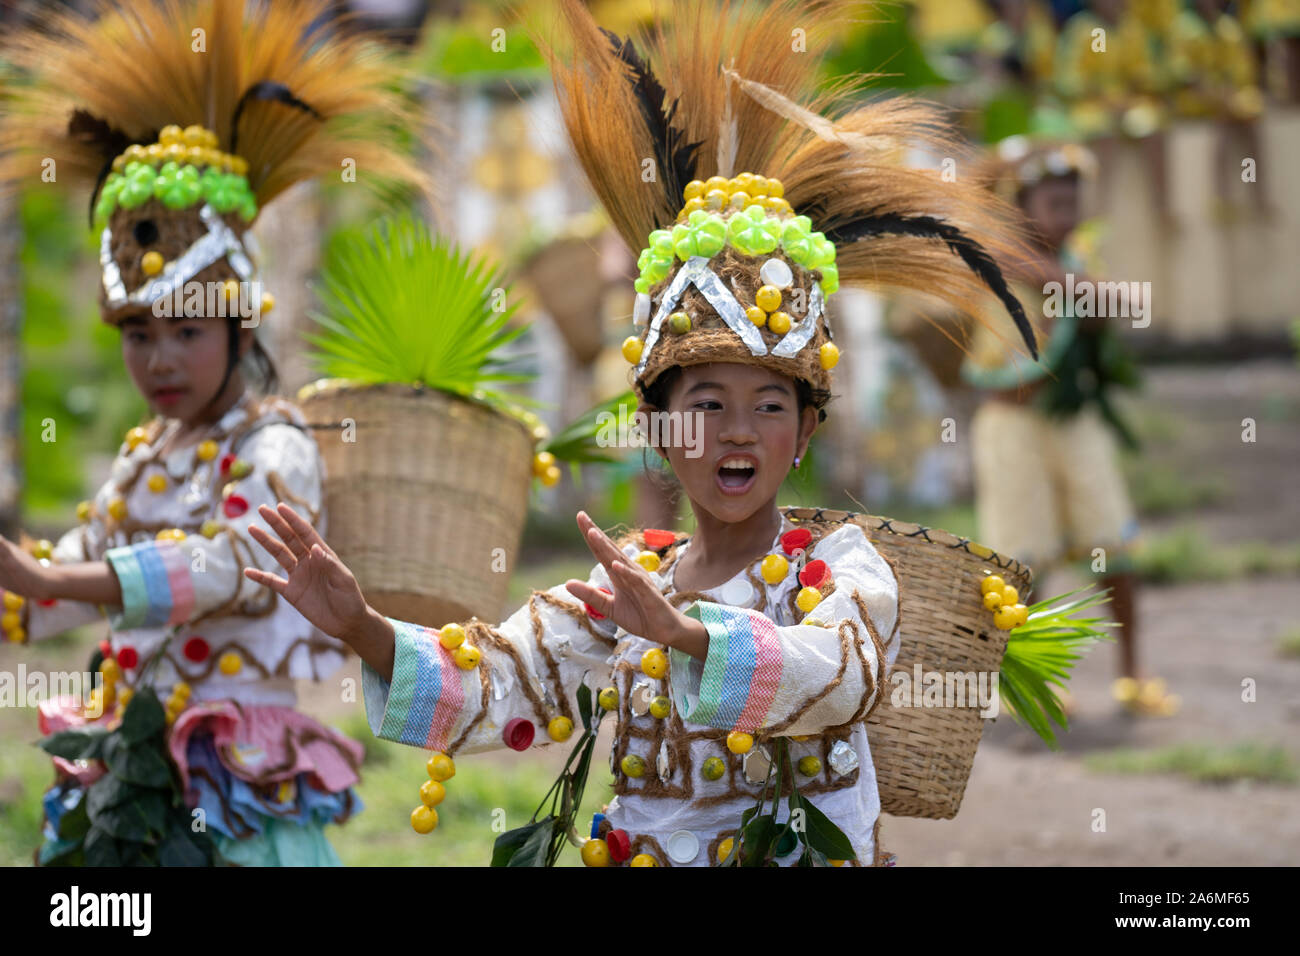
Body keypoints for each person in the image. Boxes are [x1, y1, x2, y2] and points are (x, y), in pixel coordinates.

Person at [246, 0, 1044, 867]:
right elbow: (500, 684)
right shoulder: (624, 587)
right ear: (658, 431)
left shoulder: (840, 573)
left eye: (770, 407)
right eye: (706, 406)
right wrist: (362, 627)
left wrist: (691, 637)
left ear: (807, 433)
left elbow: (842, 678)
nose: (738, 433)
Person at [0, 0, 425, 865]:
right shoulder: (142, 461)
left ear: (239, 329)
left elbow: (229, 566)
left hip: (239, 782)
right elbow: (62, 580)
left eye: (186, 332)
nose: (160, 360)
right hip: (127, 762)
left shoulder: (276, 447)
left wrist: (53, 573)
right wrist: (20, 594)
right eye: (138, 335)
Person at [961, 136, 1177, 717]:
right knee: (1023, 559)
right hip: (1011, 428)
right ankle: (1029, 682)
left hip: (1074, 422)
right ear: (1023, 206)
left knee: (1113, 545)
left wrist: (1078, 288)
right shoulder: (995, 255)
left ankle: (1133, 672)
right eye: (1054, 203)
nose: (1068, 215)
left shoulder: (1076, 261)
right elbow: (1086, 297)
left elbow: (1116, 307)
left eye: (1073, 203)